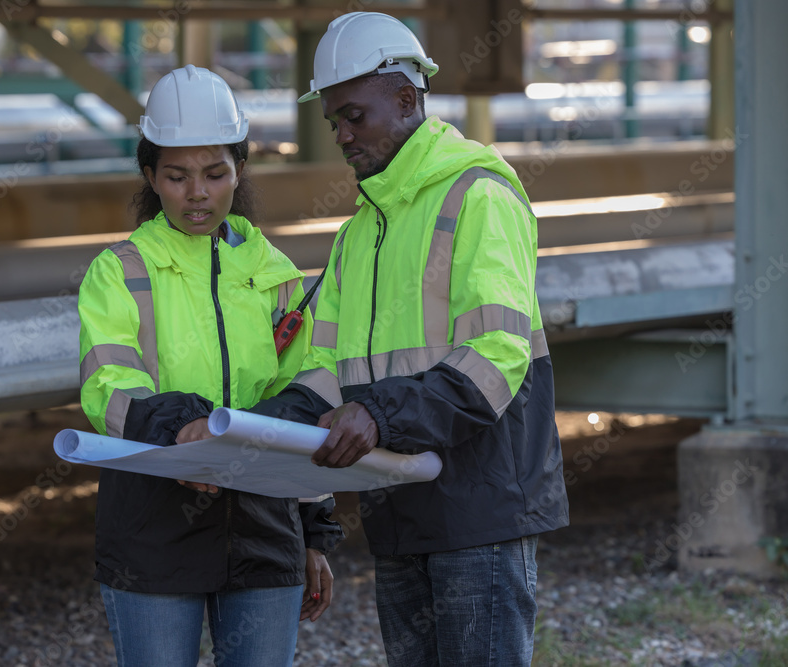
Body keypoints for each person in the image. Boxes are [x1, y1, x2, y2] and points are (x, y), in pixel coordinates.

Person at [251, 12, 569, 667]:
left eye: (353, 116)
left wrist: (377, 413)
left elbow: (495, 356)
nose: (340, 134)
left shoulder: (477, 195)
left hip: (479, 509)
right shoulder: (357, 234)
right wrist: (249, 432)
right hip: (399, 510)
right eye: (332, 120)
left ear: (405, 99)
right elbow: (324, 372)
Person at [77, 65, 342, 667]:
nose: (197, 193)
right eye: (176, 175)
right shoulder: (121, 271)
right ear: (150, 176)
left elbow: (308, 394)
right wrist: (184, 432)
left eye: (215, 173)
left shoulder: (275, 274)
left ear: (240, 170)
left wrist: (314, 531)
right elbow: (108, 389)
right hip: (153, 529)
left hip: (265, 529)